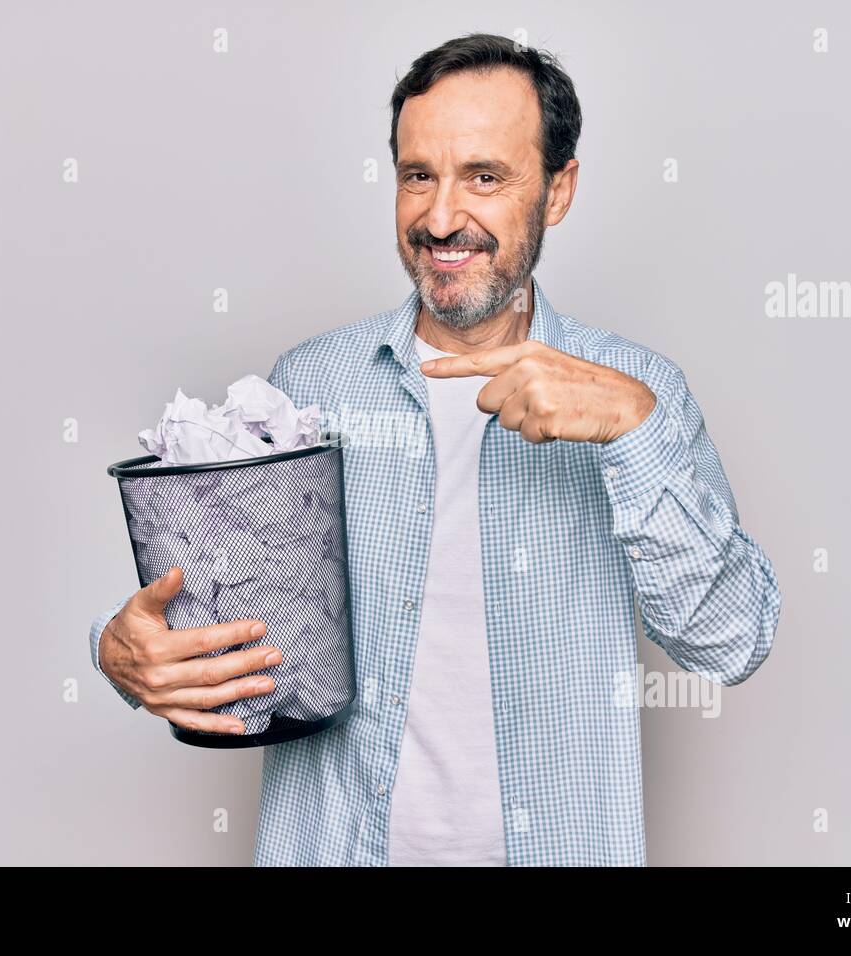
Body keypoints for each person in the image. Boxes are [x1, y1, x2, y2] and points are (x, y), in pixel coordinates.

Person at [91, 33, 782, 866]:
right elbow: (227, 614)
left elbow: (731, 639)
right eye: (420, 175)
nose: (442, 217)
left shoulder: (636, 388)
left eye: (485, 177)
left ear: (558, 189)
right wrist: (117, 647)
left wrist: (635, 436)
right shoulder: (310, 384)